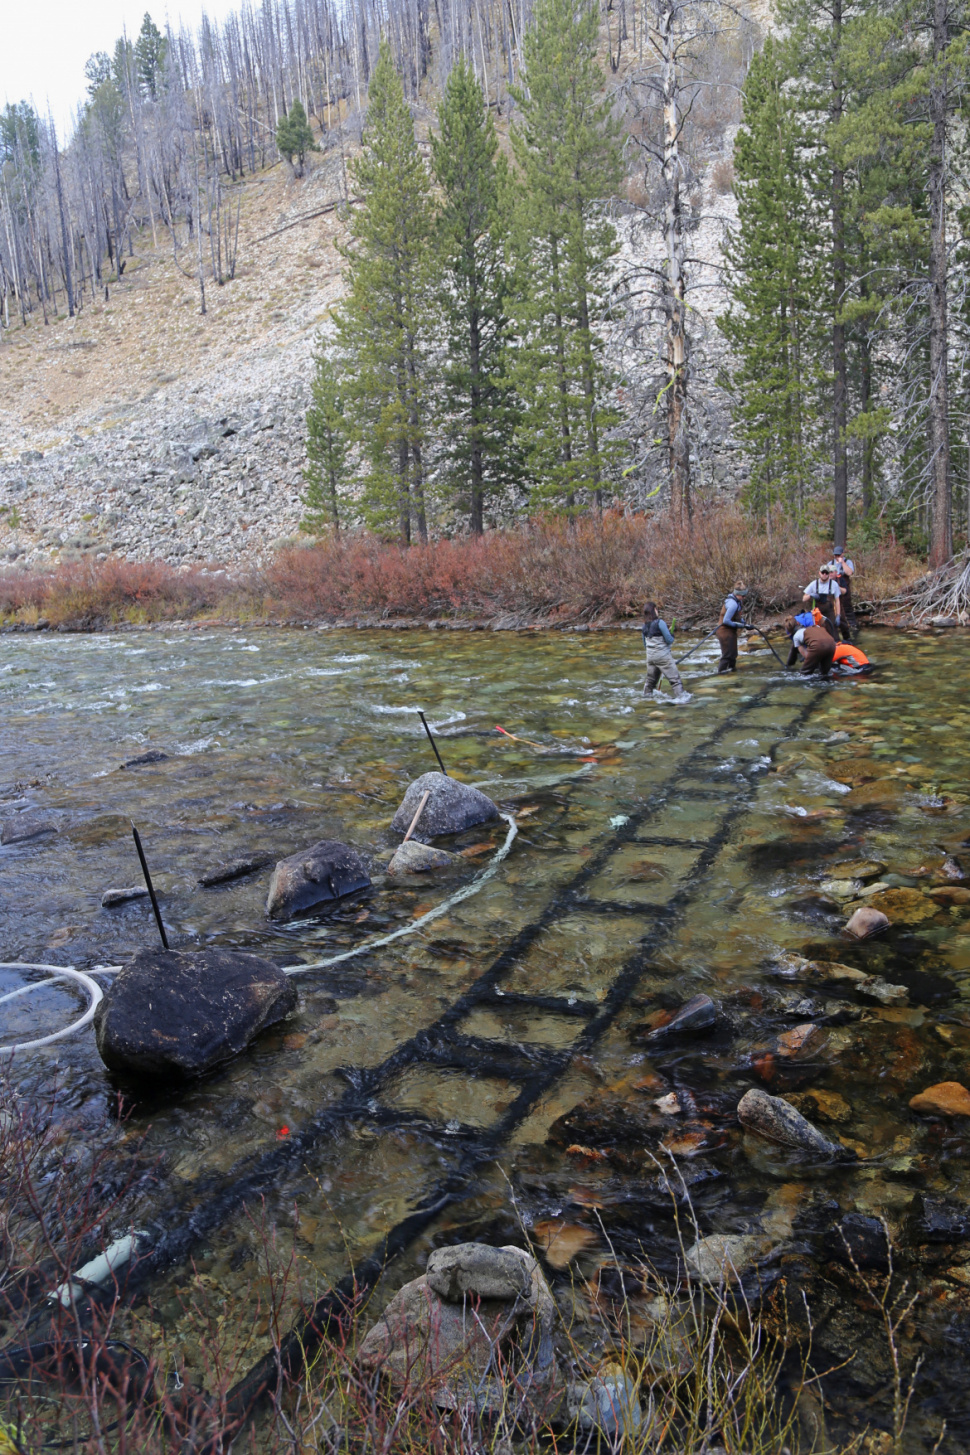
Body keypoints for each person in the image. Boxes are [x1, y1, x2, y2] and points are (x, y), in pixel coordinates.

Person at [642, 600, 690, 700]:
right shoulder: (660, 623)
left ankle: (646, 700)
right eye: (656, 609)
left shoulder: (644, 626)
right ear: (654, 611)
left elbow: (645, 644)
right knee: (675, 681)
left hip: (650, 658)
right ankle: (683, 701)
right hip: (663, 657)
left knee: (650, 682)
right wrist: (671, 634)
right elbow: (669, 640)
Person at [825, 545, 857, 641]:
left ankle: (853, 627)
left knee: (847, 607)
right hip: (832, 590)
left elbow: (849, 573)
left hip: (843, 586)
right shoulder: (830, 563)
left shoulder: (848, 562)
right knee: (833, 608)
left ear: (843, 554)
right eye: (835, 555)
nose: (837, 556)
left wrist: (842, 562)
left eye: (839, 555)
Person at [716, 581, 749, 673]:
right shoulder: (732, 604)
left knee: (733, 654)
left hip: (731, 631)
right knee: (727, 655)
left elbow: (737, 617)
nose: (744, 597)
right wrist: (740, 625)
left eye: (745, 595)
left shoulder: (738, 601)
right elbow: (726, 621)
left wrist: (745, 624)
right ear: (737, 594)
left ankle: (732, 672)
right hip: (724, 631)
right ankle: (721, 674)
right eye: (743, 596)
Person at [802, 566, 841, 640]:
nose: (824, 574)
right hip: (817, 615)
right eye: (823, 572)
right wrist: (811, 595)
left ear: (829, 574)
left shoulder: (834, 585)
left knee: (834, 635)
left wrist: (838, 615)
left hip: (830, 614)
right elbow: (804, 599)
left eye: (826, 573)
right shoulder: (813, 584)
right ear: (819, 573)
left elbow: (837, 601)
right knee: (819, 635)